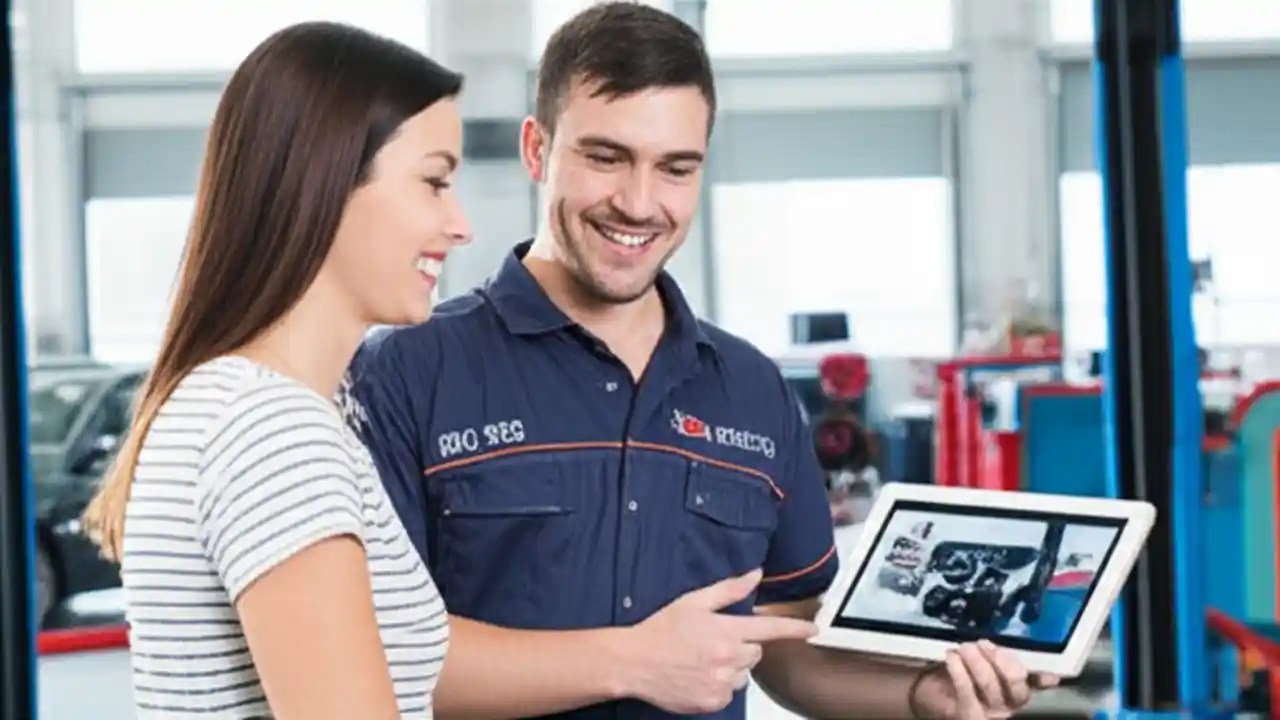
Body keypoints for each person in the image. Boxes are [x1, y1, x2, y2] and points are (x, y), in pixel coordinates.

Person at [346, 3, 1059, 718]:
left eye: (675, 168)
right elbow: (363, 657)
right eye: (606, 157)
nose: (639, 203)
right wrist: (631, 663)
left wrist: (920, 696)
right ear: (537, 150)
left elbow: (784, 642)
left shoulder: (752, 391)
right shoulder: (404, 372)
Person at [80, 22, 473, 719]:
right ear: (326, 181)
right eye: (434, 182)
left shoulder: (236, 404)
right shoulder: (273, 430)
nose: (460, 223)